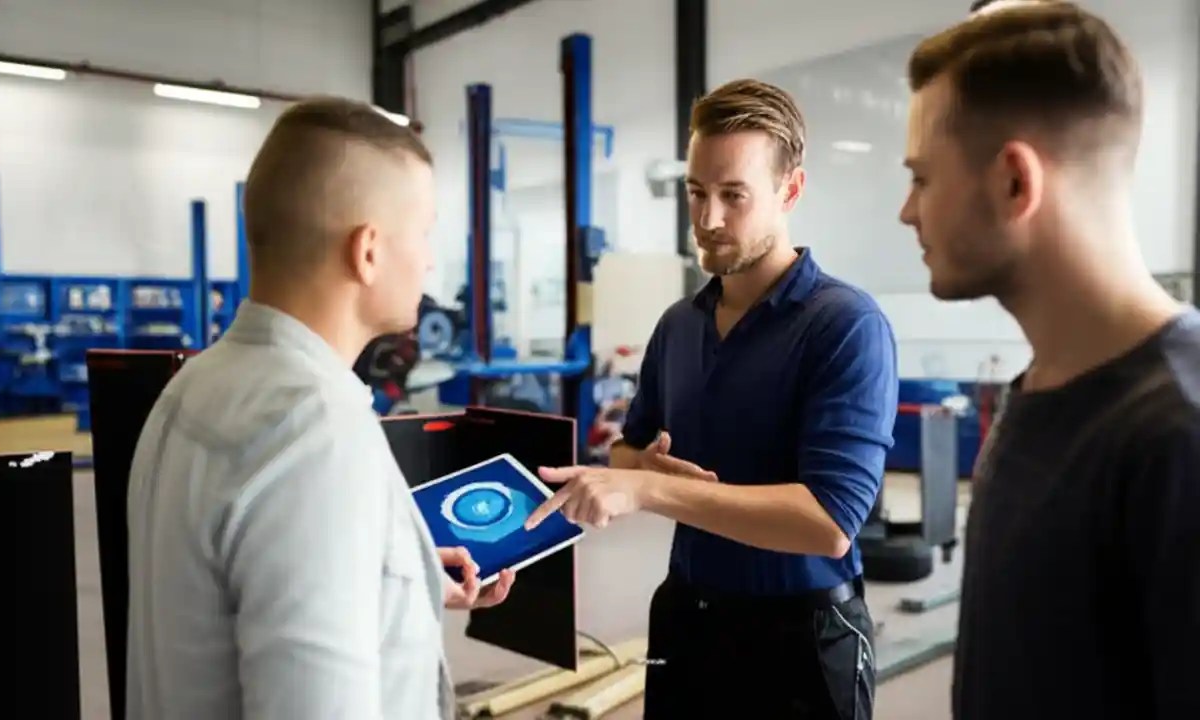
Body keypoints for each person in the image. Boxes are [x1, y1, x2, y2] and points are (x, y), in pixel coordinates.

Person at [124, 97, 515, 720]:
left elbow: (227, 604)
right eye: (423, 232)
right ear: (368, 251)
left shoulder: (195, 386)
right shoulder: (315, 435)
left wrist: (404, 583)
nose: (431, 260)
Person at [527, 79, 899, 719]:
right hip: (687, 618)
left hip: (800, 638)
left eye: (734, 196)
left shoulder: (844, 325)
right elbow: (628, 449)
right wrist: (640, 469)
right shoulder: (679, 324)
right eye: (697, 193)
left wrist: (651, 491)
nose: (708, 219)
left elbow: (829, 524)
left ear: (791, 190)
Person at [900, 3, 1200, 718]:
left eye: (921, 178)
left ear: (1013, 183)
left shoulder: (1178, 439)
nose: (907, 212)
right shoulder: (1037, 394)